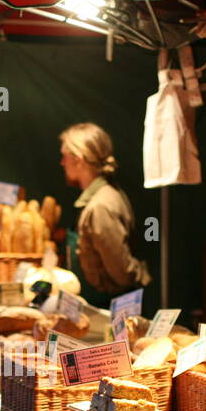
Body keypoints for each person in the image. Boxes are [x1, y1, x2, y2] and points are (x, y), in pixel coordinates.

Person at [59, 122, 151, 304]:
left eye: (64, 156)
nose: (62, 163)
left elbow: (121, 273)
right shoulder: (103, 195)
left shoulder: (100, 206)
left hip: (106, 308)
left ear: (78, 159)